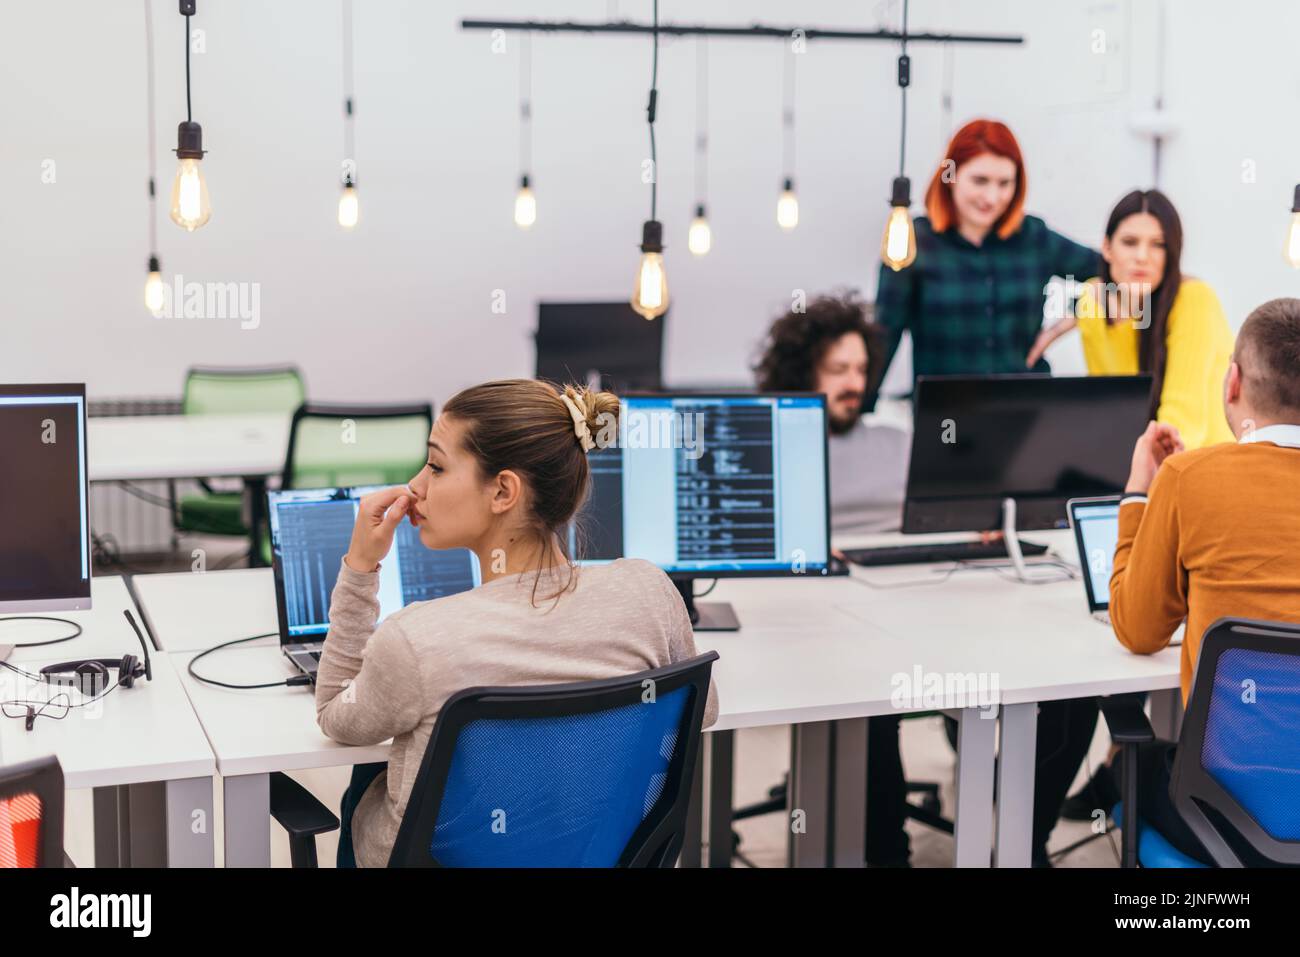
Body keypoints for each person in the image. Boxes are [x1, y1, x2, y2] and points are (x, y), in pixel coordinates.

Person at [315, 378, 720, 868]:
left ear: (504, 490)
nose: (416, 485)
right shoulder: (649, 590)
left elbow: (335, 714)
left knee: (366, 783)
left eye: (437, 466)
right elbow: (703, 708)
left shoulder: (417, 639)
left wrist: (360, 566)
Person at [1105, 297, 1300, 864]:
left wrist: (1142, 494)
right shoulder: (1192, 477)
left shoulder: (1189, 478)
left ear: (1233, 381)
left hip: (1225, 817)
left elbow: (1137, 629)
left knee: (1127, 766)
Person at [873, 118, 1100, 398]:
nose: (992, 198)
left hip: (1027, 410)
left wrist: (1073, 315)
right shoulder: (911, 244)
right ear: (950, 176)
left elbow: (1114, 275)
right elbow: (883, 337)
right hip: (945, 418)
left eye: (1004, 183)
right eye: (980, 181)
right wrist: (855, 418)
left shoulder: (1034, 237)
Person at [1027, 189, 1235, 449]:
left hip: (1200, 464)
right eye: (1130, 242)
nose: (1142, 256)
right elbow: (1109, 413)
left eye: (1158, 245)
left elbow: (1182, 425)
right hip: (1140, 465)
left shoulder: (1194, 299)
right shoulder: (1093, 302)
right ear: (1106, 248)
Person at [754, 292, 910, 534]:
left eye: (862, 370)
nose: (855, 385)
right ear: (802, 373)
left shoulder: (900, 444)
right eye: (839, 370)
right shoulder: (765, 454)